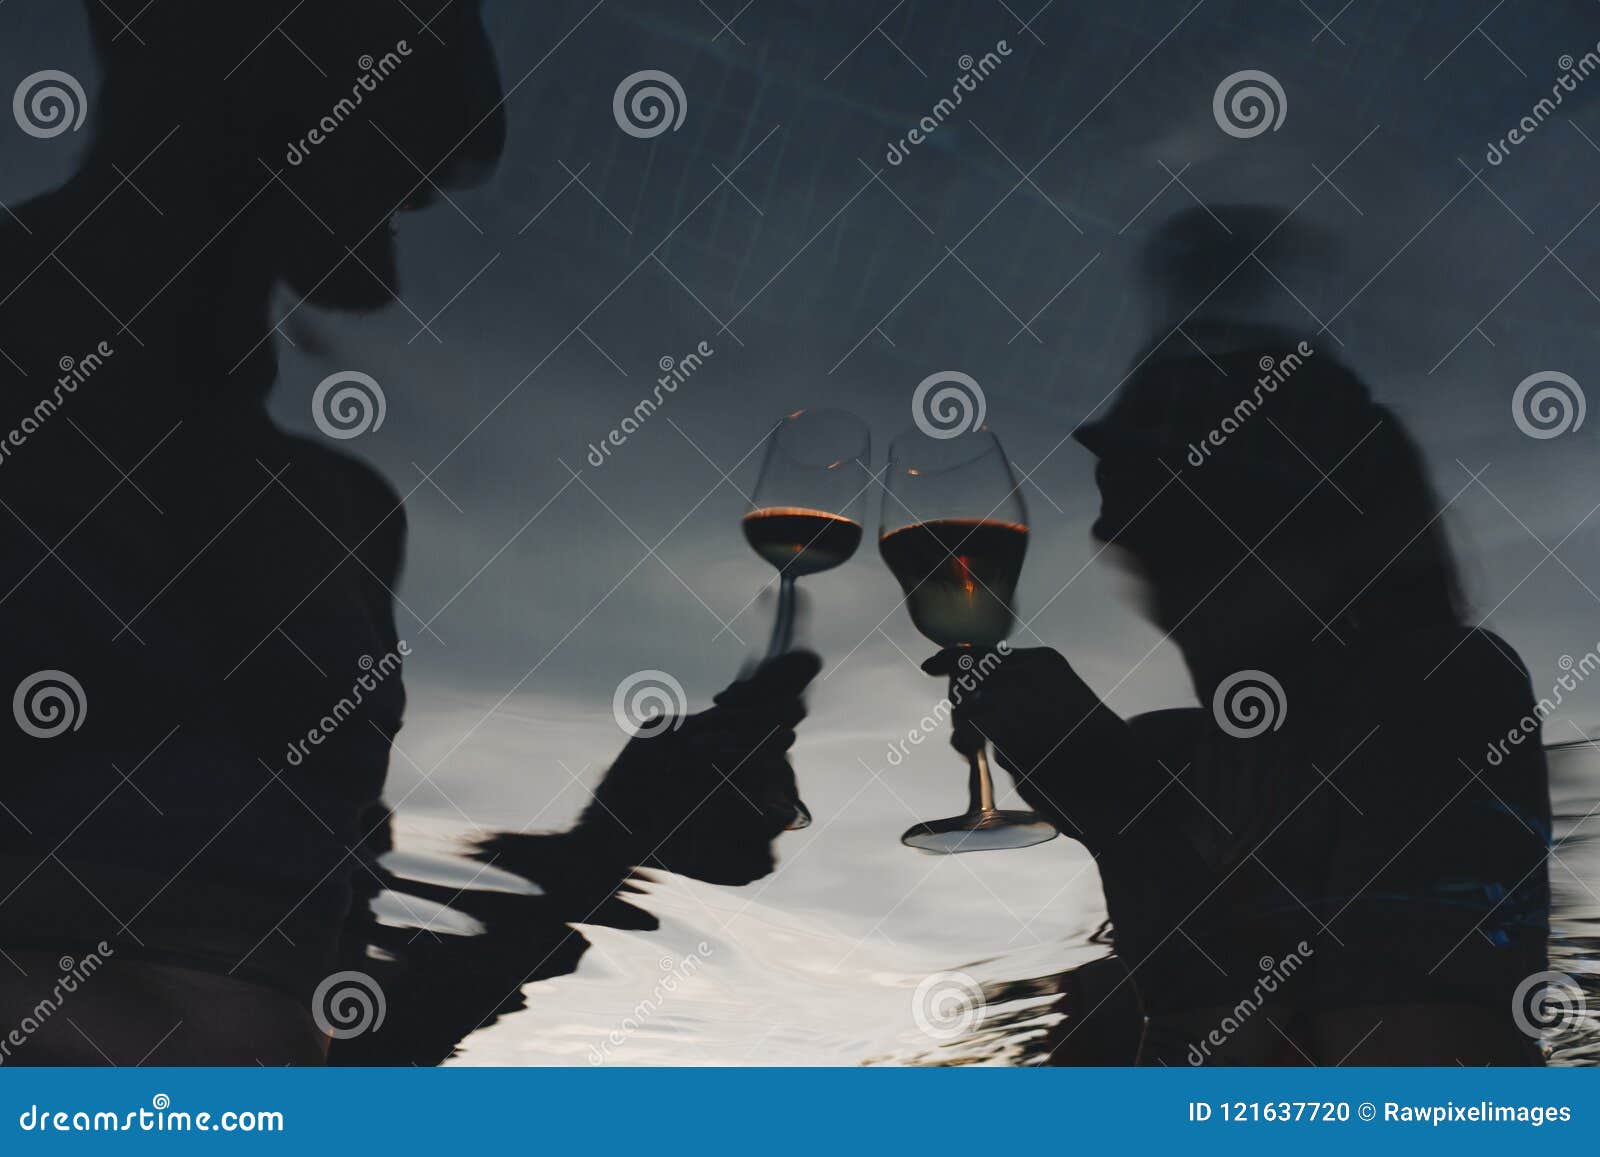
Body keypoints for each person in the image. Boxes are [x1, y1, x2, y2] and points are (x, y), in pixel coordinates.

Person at [934, 261, 1550, 1064]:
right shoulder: (1178, 758)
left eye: (1160, 500)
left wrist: (1128, 827)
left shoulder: (1444, 697)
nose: (1113, 534)